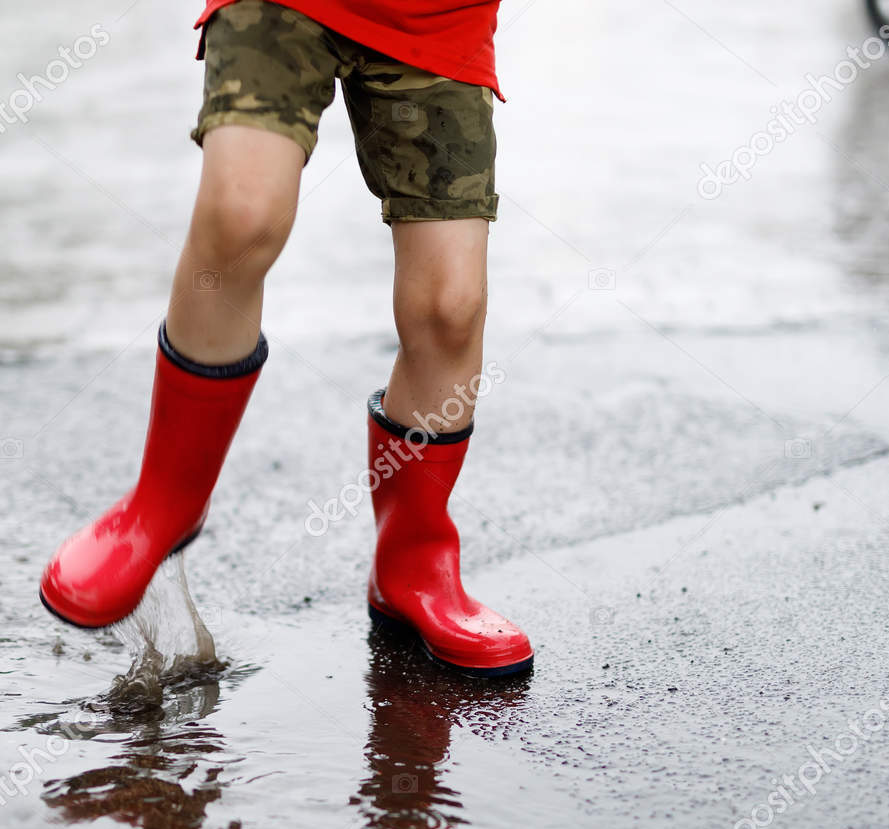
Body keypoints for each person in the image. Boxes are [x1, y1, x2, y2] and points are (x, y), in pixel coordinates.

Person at [39, 0, 533, 677]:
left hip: (439, 18)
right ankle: (161, 505)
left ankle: (415, 565)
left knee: (450, 306)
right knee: (242, 215)